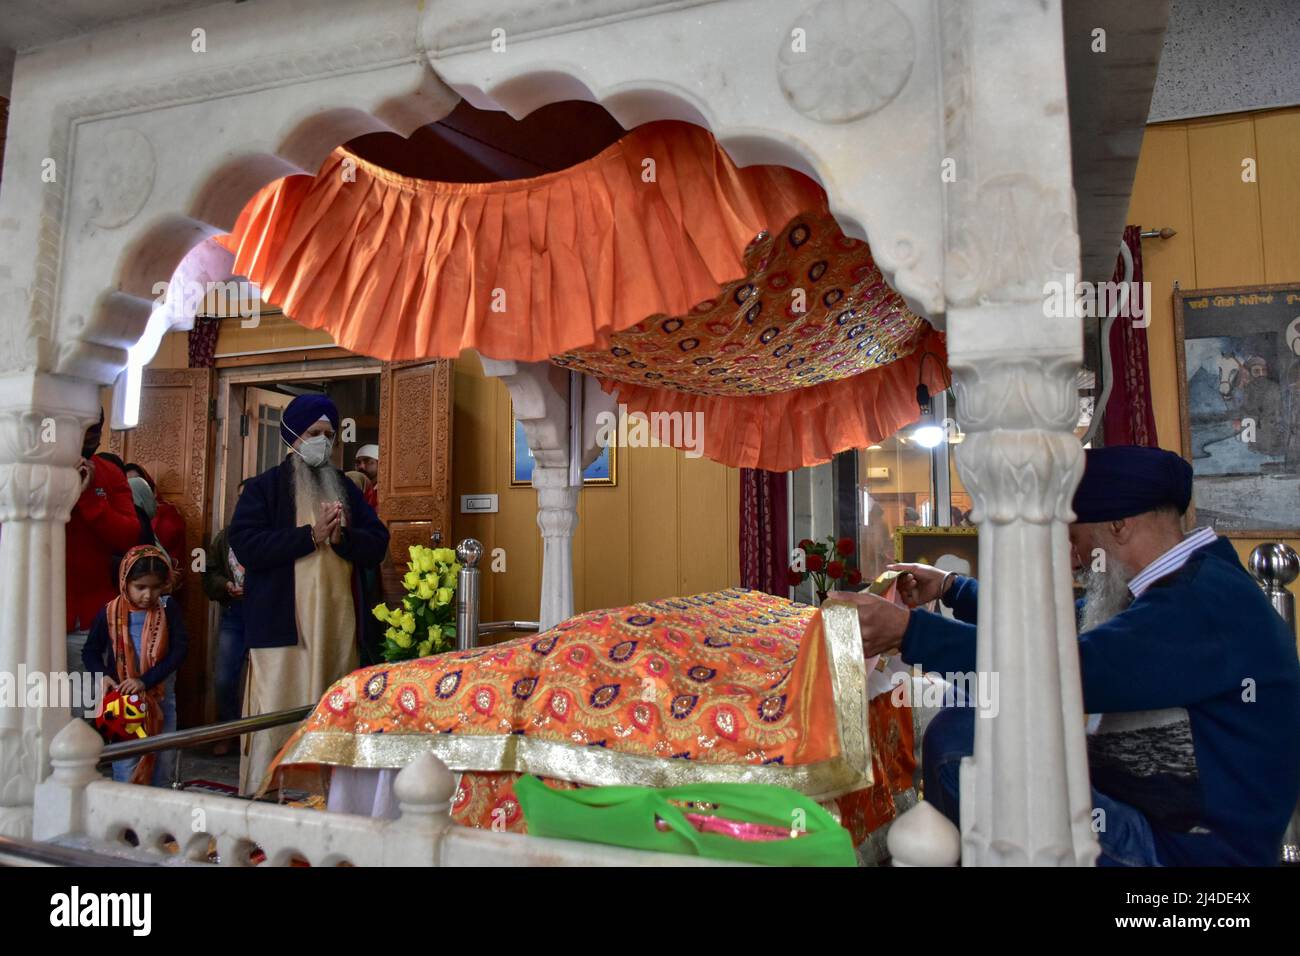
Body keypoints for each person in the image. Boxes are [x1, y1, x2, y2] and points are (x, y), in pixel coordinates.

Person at [836, 445, 1300, 867]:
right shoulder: (1172, 587)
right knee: (969, 712)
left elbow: (1064, 667)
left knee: (963, 741)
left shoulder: (1202, 604)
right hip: (1150, 816)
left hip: (1184, 851)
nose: (1075, 558)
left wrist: (909, 630)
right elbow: (1055, 626)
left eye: (1076, 539)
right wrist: (953, 588)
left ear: (1119, 525)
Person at [230, 393, 390, 794]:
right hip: (282, 628)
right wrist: (309, 536)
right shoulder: (264, 489)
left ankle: (327, 797)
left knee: (330, 709)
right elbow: (247, 544)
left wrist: (343, 539)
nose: (323, 441)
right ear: (292, 436)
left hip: (336, 626)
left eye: (329, 434)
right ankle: (267, 793)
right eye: (314, 433)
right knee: (279, 712)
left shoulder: (347, 491)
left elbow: (378, 542)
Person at [81, 545, 187, 786]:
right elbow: (90, 651)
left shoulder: (168, 609)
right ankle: (126, 819)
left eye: (156, 587)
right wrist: (103, 676)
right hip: (123, 703)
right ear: (125, 582)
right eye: (141, 587)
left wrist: (144, 681)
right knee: (126, 763)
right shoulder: (110, 612)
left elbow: (179, 651)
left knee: (164, 759)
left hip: (161, 701)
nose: (148, 595)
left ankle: (158, 818)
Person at [67, 411, 146, 692]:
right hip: (34, 614)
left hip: (89, 620)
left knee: (86, 712)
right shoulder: (30, 467)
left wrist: (88, 498)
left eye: (95, 430)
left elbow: (128, 536)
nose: (91, 437)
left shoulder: (110, 473)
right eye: (83, 429)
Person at [202, 493, 248, 752]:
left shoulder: (273, 532)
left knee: (266, 678)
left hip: (265, 613)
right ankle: (229, 731)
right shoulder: (225, 537)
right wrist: (225, 585)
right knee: (223, 678)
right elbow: (209, 573)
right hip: (234, 613)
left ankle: (258, 739)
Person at [354, 444, 379, 509]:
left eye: (367, 461)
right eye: (358, 462)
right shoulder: (353, 489)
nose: (361, 467)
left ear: (379, 464)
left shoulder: (383, 492)